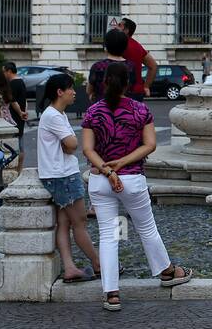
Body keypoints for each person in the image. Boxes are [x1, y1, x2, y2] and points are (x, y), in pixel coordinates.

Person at [82, 62, 192, 311]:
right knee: (146, 227)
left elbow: (87, 149)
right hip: (131, 178)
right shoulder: (140, 110)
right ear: (130, 84)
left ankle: (111, 293)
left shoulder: (92, 112)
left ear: (105, 82)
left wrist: (109, 170)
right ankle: (167, 271)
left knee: (108, 236)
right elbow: (150, 145)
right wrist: (122, 162)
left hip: (100, 179)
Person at [37, 74, 101, 284]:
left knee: (64, 223)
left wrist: (68, 144)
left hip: (57, 174)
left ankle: (70, 268)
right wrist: (68, 144)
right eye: (71, 89)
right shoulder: (54, 116)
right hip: (63, 175)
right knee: (80, 222)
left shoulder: (56, 114)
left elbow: (69, 143)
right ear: (60, 92)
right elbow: (72, 144)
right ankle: (99, 264)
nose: (75, 92)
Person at [118, 18, 158, 103]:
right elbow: (153, 65)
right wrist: (146, 87)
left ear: (126, 30)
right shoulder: (138, 46)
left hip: (121, 91)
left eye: (119, 25)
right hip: (137, 92)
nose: (115, 27)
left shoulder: (119, 44)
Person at [88, 28, 132, 103]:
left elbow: (89, 89)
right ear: (125, 47)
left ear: (106, 47)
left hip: (101, 107)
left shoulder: (97, 66)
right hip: (125, 108)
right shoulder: (131, 66)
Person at [2, 63, 29, 137]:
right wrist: (24, 112)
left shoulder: (12, 84)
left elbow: (13, 101)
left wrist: (20, 113)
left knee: (14, 138)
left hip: (14, 115)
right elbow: (25, 99)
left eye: (4, 71)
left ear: (9, 71)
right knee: (20, 136)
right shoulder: (21, 81)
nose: (3, 74)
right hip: (22, 114)